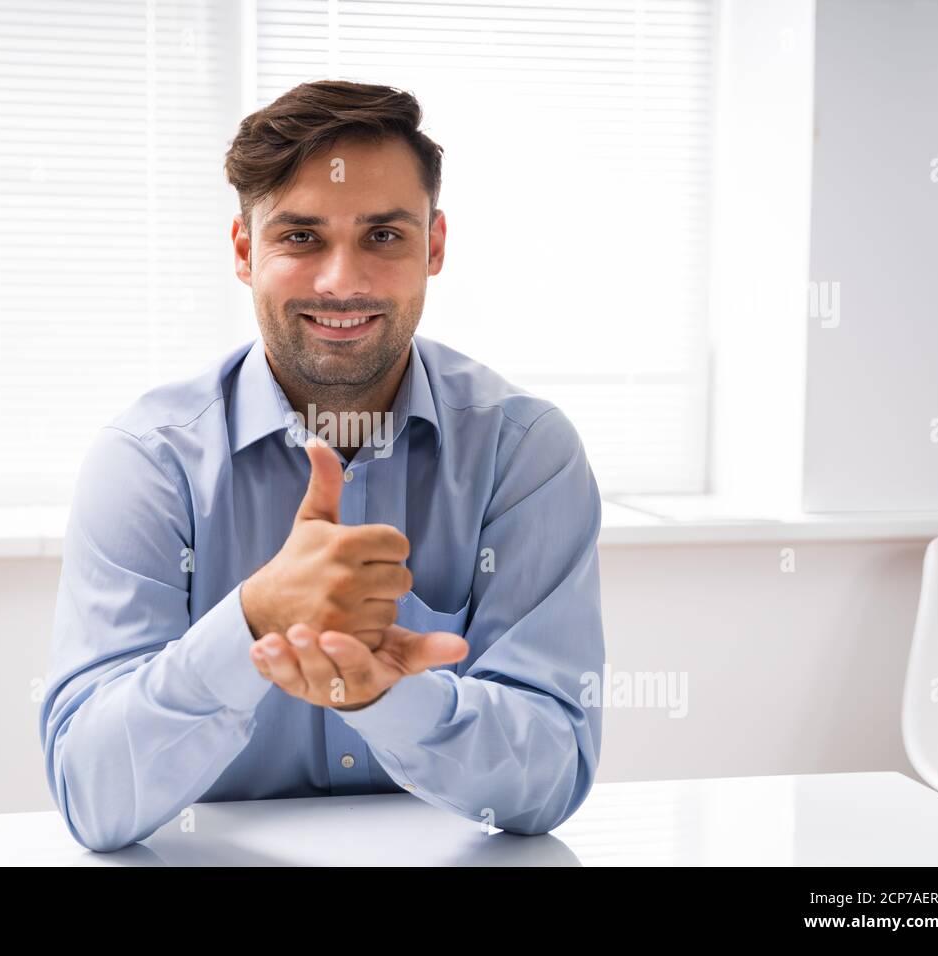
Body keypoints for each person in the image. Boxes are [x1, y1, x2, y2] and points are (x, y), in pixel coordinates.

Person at [39, 79, 605, 852]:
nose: (342, 281)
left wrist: (392, 699)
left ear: (434, 246)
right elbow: (92, 796)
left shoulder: (524, 453)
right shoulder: (147, 463)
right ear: (245, 251)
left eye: (383, 236)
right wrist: (253, 618)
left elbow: (548, 780)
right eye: (301, 237)